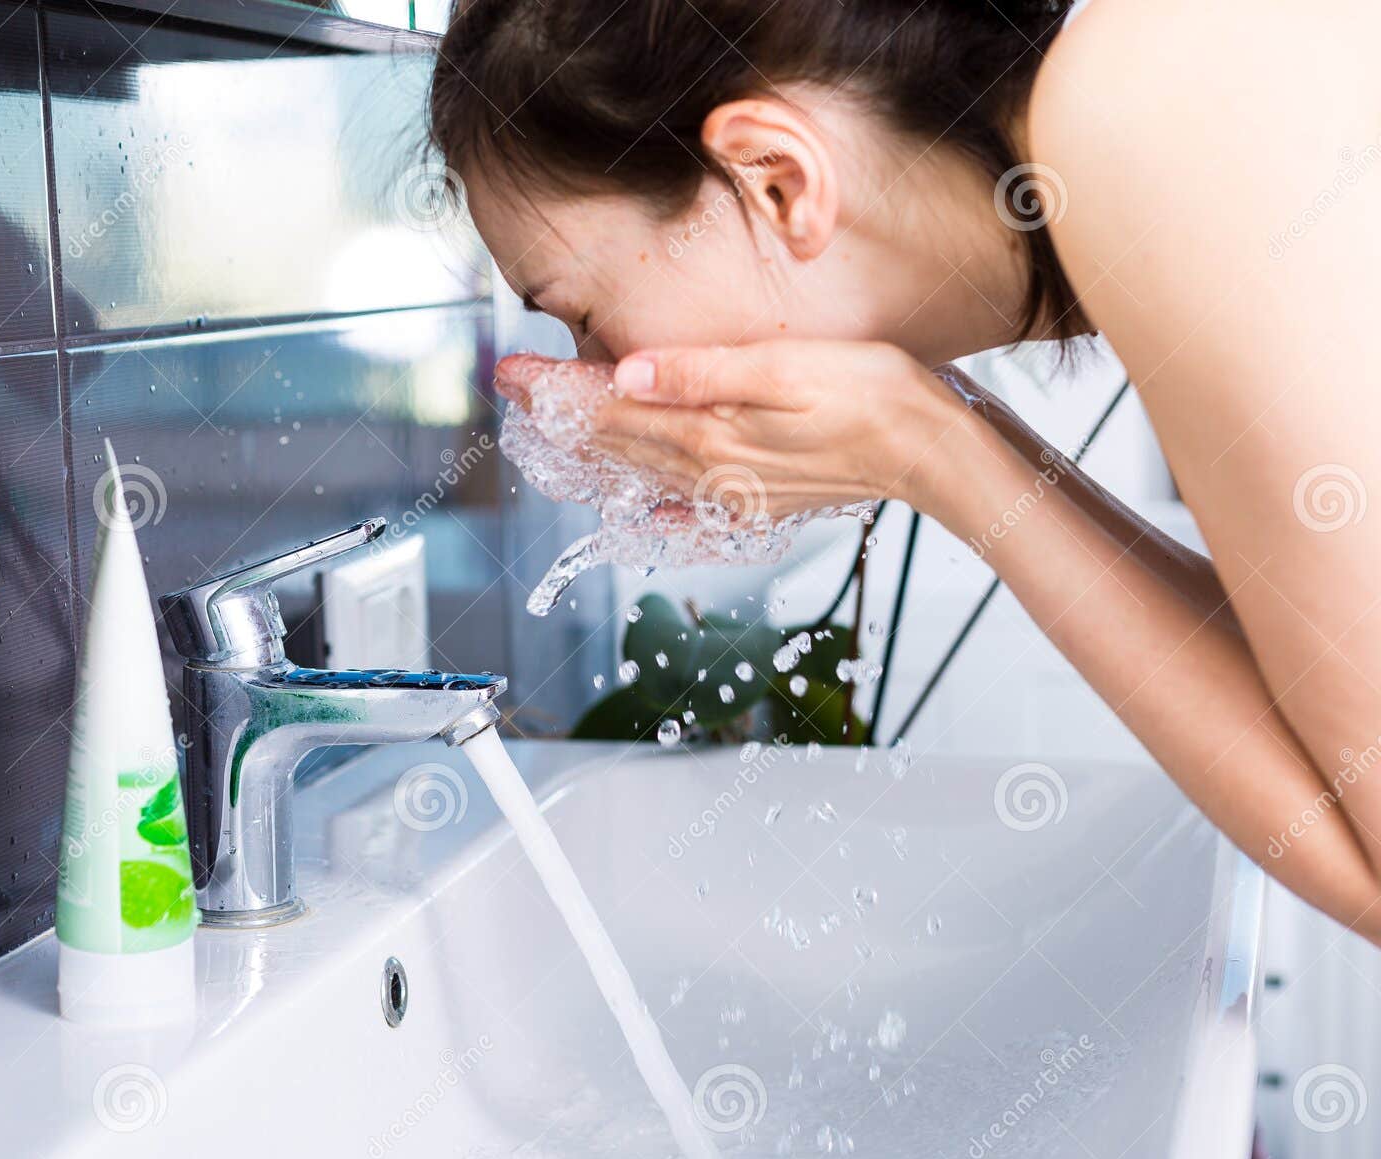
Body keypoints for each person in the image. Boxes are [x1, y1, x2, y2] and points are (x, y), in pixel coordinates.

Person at [429, 0, 1381, 942]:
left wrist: (935, 451)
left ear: (774, 181)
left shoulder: (1141, 100)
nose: (596, 386)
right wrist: (941, 434)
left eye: (584, 315)